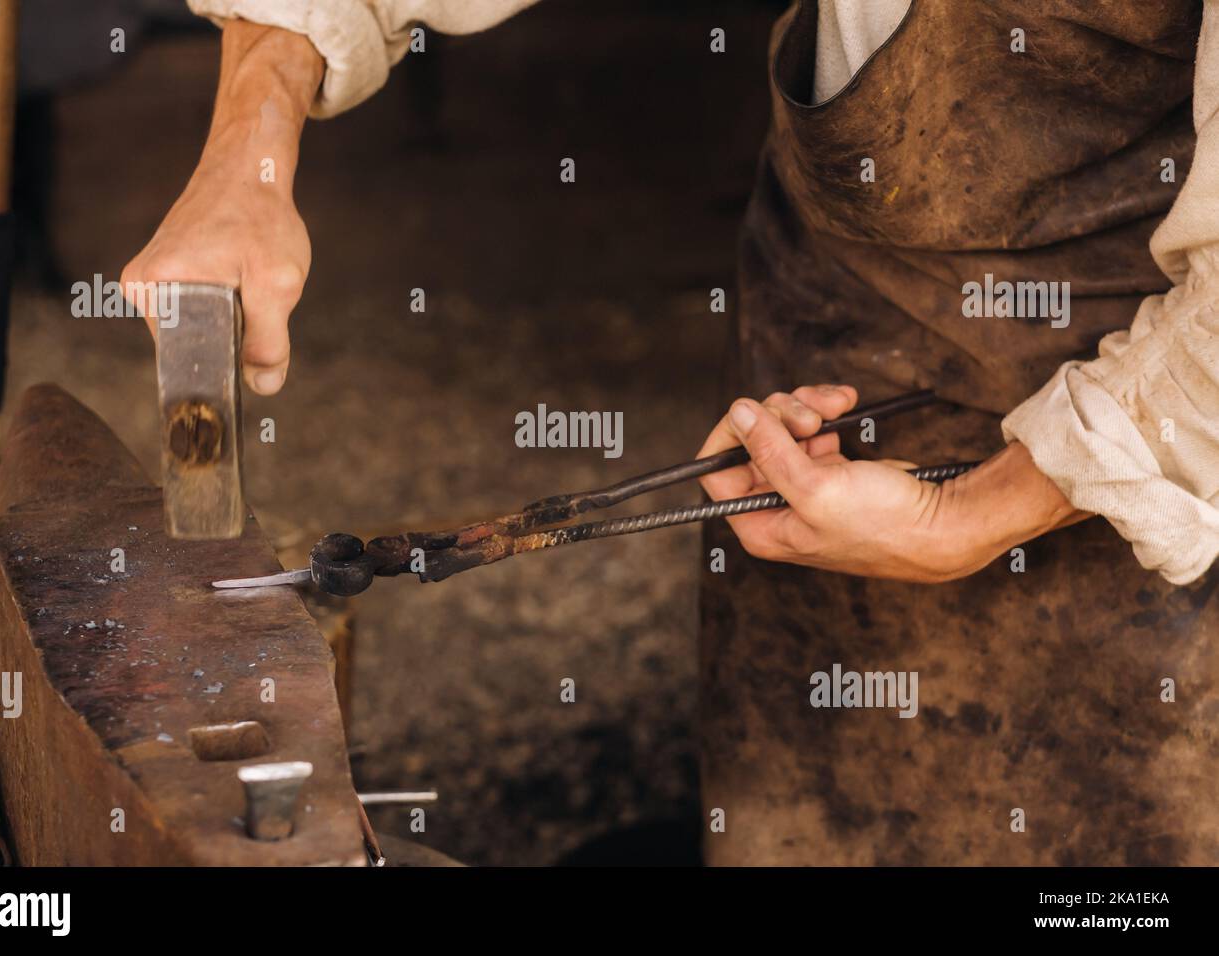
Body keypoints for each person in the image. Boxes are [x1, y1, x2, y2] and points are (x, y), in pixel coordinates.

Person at [123, 1, 1219, 865]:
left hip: (1152, 420)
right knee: (807, 800)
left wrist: (982, 509)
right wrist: (249, 142)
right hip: (838, 306)